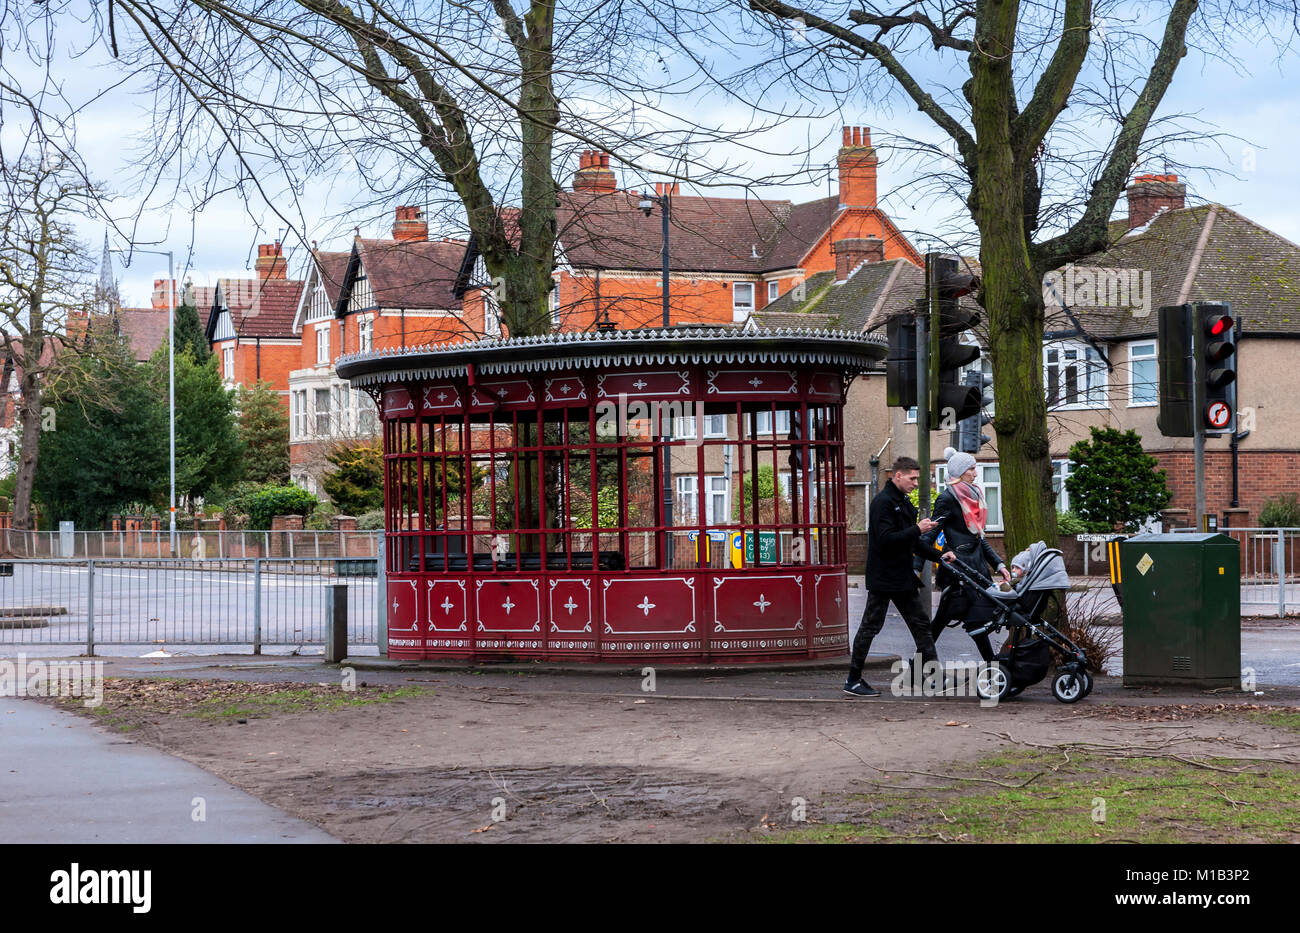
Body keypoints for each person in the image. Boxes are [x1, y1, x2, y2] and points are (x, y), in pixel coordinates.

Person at [844, 456, 944, 697]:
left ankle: (932, 675)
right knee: (870, 627)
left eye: (917, 478)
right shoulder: (883, 503)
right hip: (885, 578)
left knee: (921, 626)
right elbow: (886, 539)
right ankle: (853, 680)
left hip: (901, 577)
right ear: (897, 476)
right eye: (912, 478)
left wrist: (941, 556)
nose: (915, 483)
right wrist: (917, 529)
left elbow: (913, 542)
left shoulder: (901, 502)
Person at [919, 447, 1010, 664]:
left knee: (971, 620)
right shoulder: (947, 498)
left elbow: (979, 538)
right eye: (971, 469)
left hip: (975, 569)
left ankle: (994, 667)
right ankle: (993, 666)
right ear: (960, 472)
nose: (975, 473)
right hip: (958, 571)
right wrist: (915, 565)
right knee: (944, 621)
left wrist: (999, 565)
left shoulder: (974, 495)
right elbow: (930, 534)